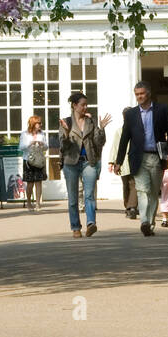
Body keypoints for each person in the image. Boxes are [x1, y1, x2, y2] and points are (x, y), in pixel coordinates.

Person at [112, 80, 168, 236]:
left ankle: (150, 222)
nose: (139, 97)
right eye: (137, 95)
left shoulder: (162, 110)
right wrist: (118, 161)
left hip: (156, 157)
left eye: (142, 94)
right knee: (142, 190)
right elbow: (124, 138)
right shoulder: (131, 114)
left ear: (148, 93)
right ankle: (144, 221)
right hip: (138, 158)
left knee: (153, 192)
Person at [60, 93, 110, 238]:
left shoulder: (91, 122)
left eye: (86, 104)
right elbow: (63, 147)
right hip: (71, 163)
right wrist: (66, 133)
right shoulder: (66, 122)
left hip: (89, 161)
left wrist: (101, 129)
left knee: (89, 195)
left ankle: (90, 223)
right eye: (82, 104)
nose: (85, 107)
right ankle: (75, 227)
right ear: (75, 106)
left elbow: (99, 143)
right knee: (73, 197)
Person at [107, 108, 139, 218]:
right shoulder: (120, 131)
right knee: (129, 185)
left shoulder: (135, 129)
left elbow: (115, 147)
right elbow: (115, 146)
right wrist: (111, 161)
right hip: (125, 163)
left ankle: (131, 207)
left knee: (131, 185)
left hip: (130, 162)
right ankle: (129, 206)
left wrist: (112, 162)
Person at [19, 115, 48, 211]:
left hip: (39, 160)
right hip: (28, 160)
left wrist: (42, 144)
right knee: (30, 183)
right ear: (33, 123)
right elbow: (21, 147)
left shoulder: (42, 134)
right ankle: (28, 202)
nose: (41, 124)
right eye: (39, 123)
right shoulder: (25, 134)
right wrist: (30, 143)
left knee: (38, 182)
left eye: (40, 123)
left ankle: (38, 204)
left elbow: (46, 147)